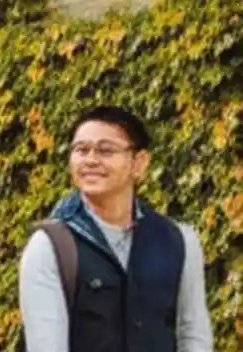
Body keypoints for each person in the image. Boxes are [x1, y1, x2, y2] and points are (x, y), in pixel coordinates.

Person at [17, 105, 212, 351]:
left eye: (105, 150)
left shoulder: (179, 240)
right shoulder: (51, 246)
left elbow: (193, 333)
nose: (90, 160)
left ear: (139, 163)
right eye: (81, 150)